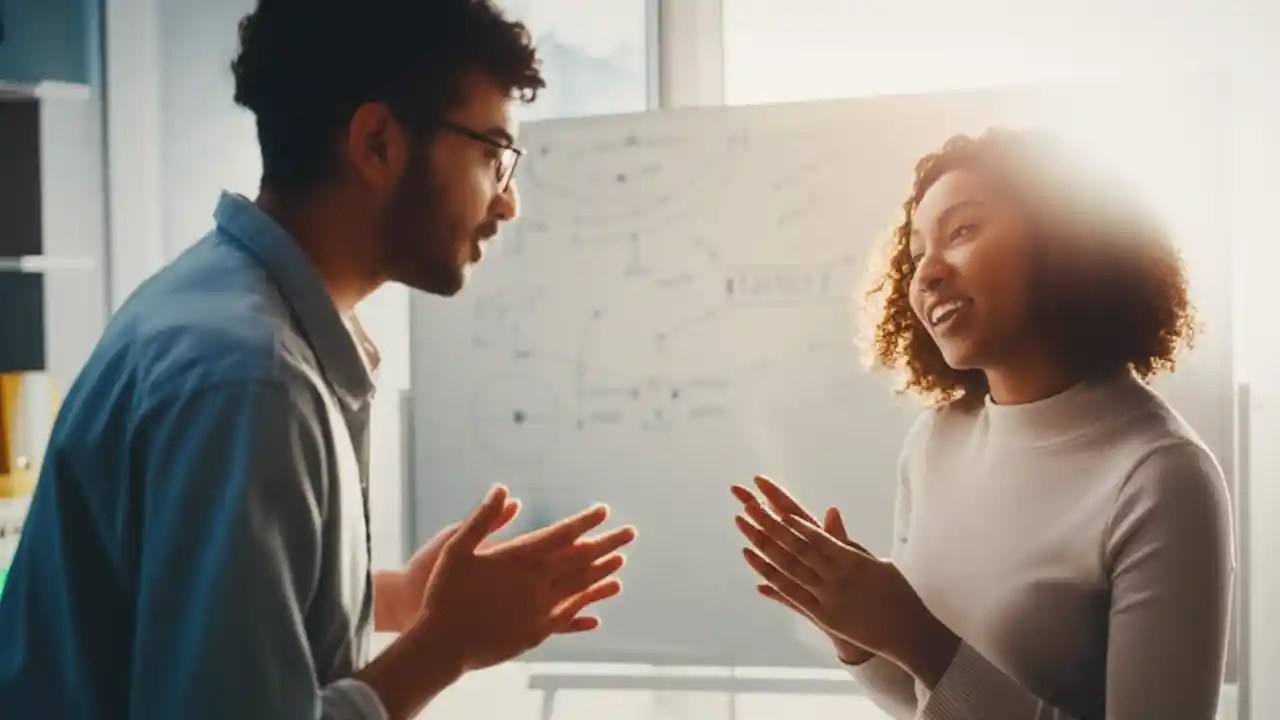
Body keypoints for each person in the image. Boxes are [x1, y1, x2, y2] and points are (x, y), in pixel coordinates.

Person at [0, 1, 637, 718]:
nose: (508, 201)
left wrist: (396, 599)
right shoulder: (250, 376)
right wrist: (446, 645)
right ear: (376, 143)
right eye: (492, 155)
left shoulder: (229, 313)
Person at [729, 128, 1234, 719]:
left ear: (1064, 239)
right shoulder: (935, 441)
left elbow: (936, 663)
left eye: (962, 231)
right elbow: (925, 700)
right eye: (917, 255)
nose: (926, 275)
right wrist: (857, 632)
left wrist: (915, 635)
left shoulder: (1162, 477)